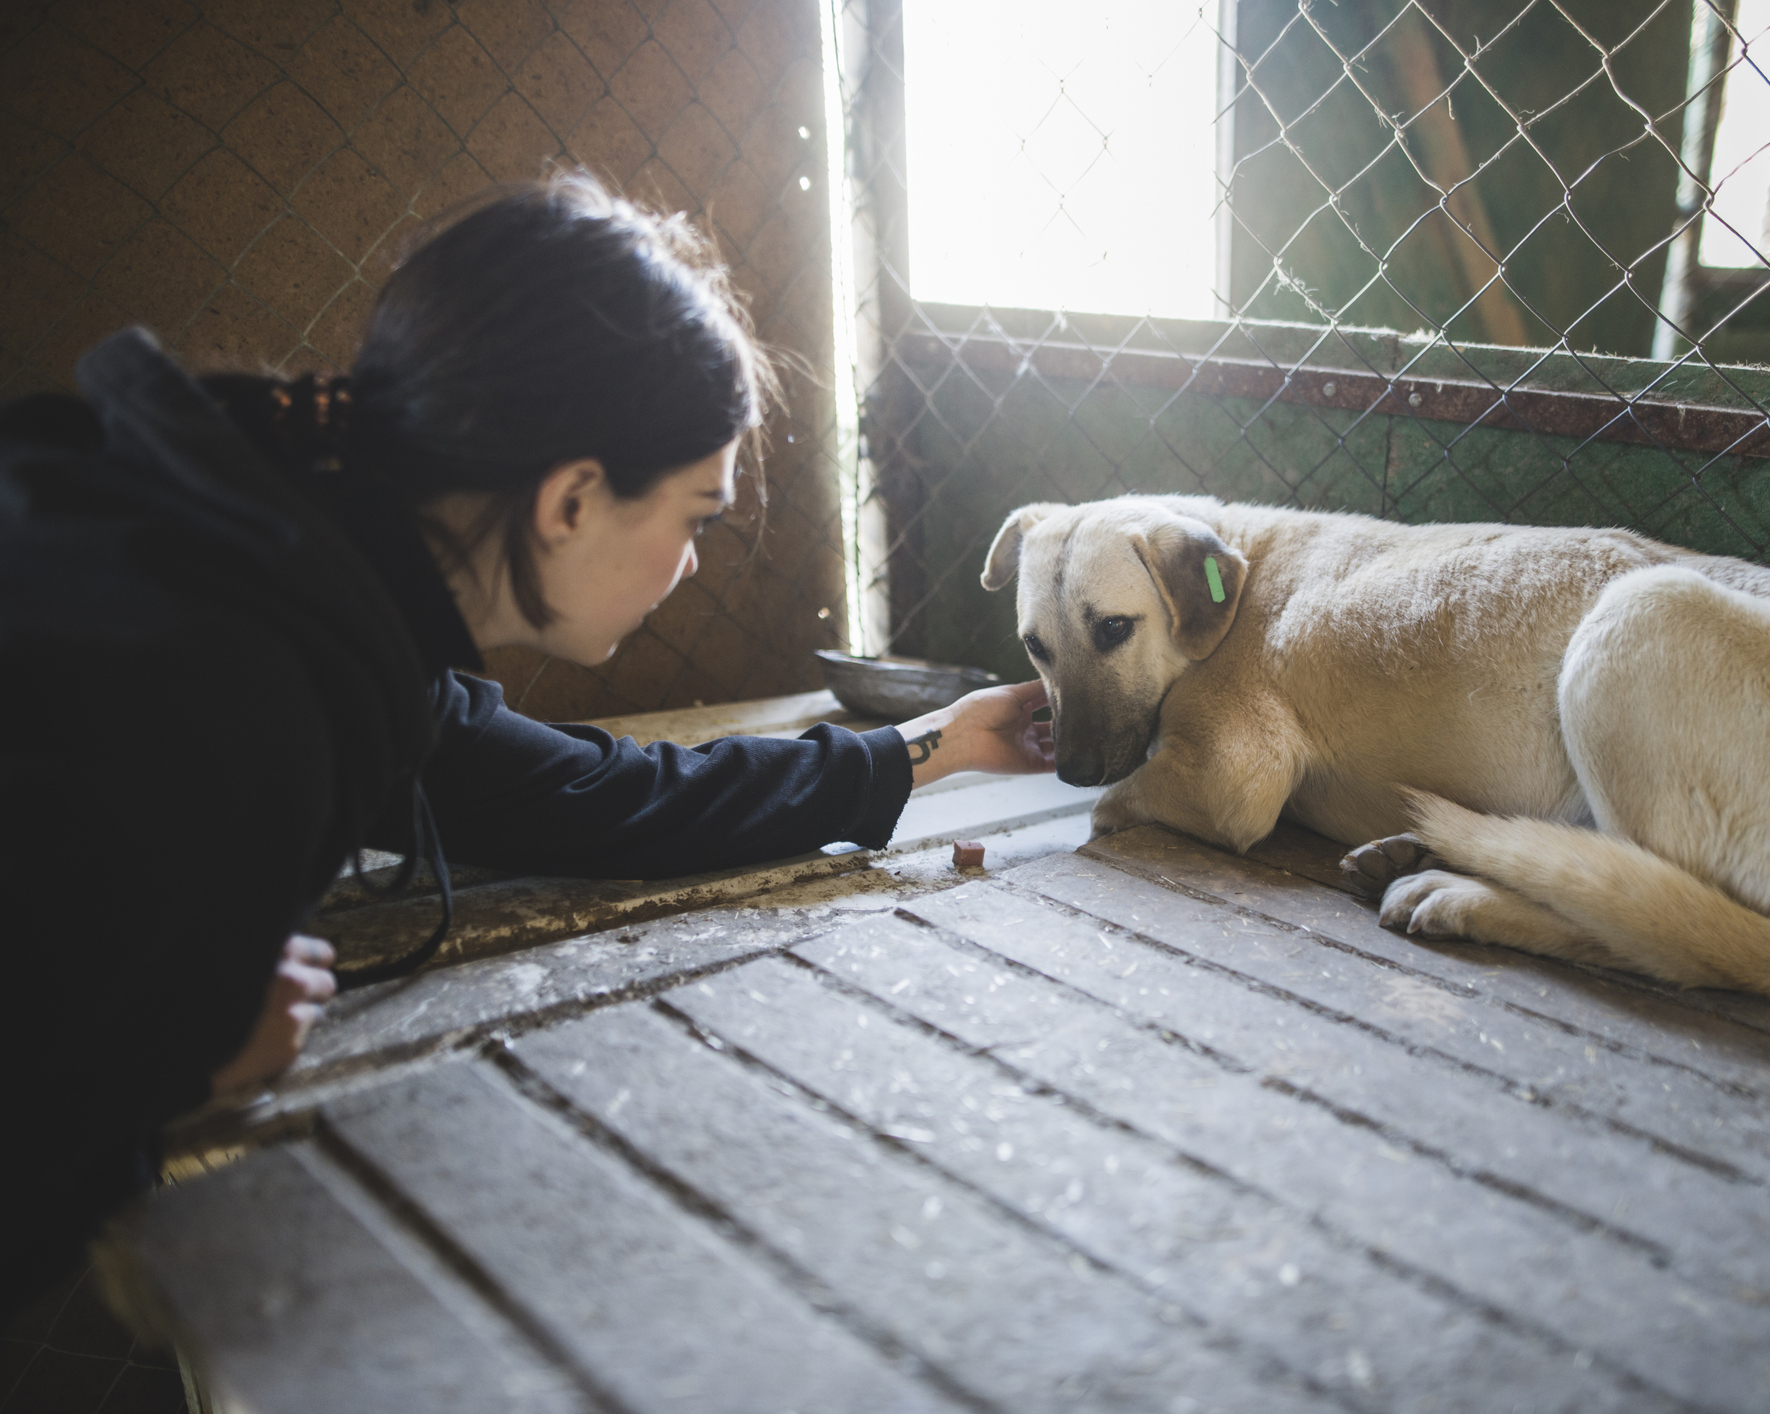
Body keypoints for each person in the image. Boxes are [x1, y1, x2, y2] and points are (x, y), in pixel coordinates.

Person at [0, 172, 1053, 1316]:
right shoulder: (248, 691)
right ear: (571, 501)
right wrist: (171, 1057)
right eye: (695, 517)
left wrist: (924, 748)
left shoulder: (312, 571)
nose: (692, 564)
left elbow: (577, 796)